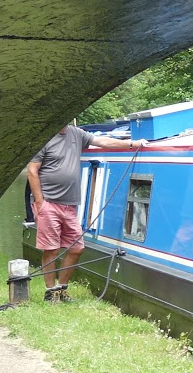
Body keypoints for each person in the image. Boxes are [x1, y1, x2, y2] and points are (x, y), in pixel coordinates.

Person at [26, 123, 139, 302]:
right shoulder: (44, 138)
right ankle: (50, 292)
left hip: (70, 205)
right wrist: (40, 203)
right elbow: (32, 171)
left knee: (77, 247)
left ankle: (61, 289)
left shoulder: (76, 133)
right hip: (49, 203)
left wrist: (132, 144)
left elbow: (103, 141)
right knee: (52, 249)